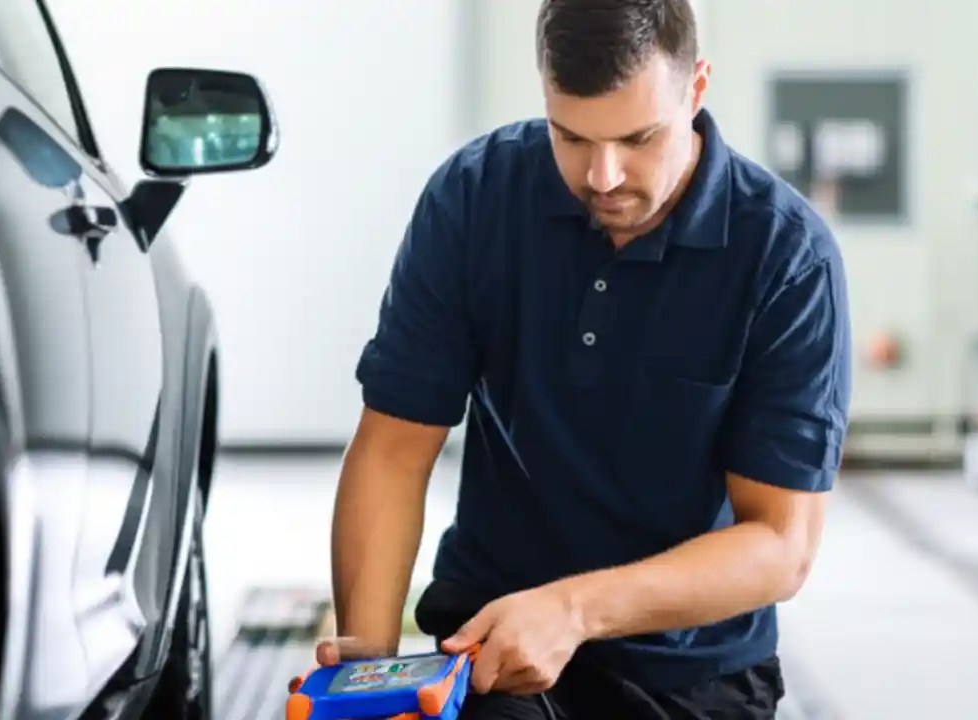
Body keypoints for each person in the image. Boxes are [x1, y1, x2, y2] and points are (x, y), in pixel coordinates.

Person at [317, 0, 850, 717]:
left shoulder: (786, 257)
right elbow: (392, 452)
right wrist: (363, 676)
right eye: (570, 137)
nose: (602, 176)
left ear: (695, 90)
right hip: (485, 647)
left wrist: (574, 611)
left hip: (692, 671)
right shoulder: (475, 199)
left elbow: (781, 545)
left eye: (638, 138)